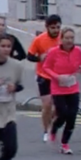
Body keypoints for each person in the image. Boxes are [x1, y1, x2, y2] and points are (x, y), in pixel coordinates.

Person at [43, 28, 81, 154]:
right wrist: (57, 77)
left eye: (72, 38)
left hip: (72, 86)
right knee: (63, 113)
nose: (69, 41)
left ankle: (65, 144)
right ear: (61, 39)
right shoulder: (54, 52)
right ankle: (54, 127)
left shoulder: (78, 51)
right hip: (58, 88)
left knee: (72, 115)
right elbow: (46, 67)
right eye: (67, 38)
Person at [27, 14, 62, 142]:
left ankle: (52, 120)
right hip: (44, 75)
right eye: (53, 28)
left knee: (60, 107)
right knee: (47, 105)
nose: (56, 30)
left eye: (58, 27)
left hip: (59, 76)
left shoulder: (63, 39)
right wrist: (39, 58)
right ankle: (46, 130)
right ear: (47, 27)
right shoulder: (39, 39)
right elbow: (29, 56)